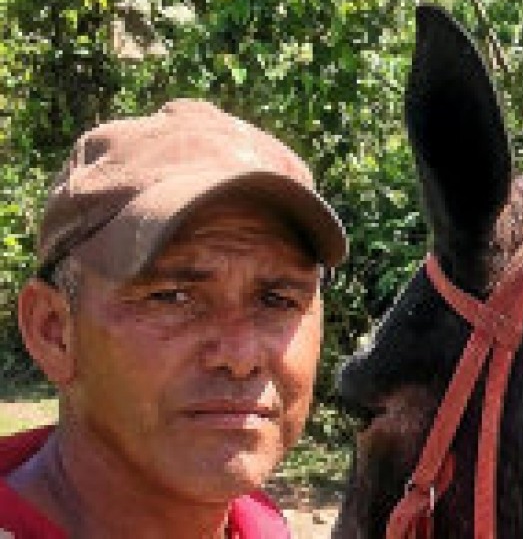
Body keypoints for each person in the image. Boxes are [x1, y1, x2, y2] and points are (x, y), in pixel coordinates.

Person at [2, 100, 347, 538]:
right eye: (173, 298)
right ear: (54, 332)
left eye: (277, 300)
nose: (239, 357)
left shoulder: (258, 526)